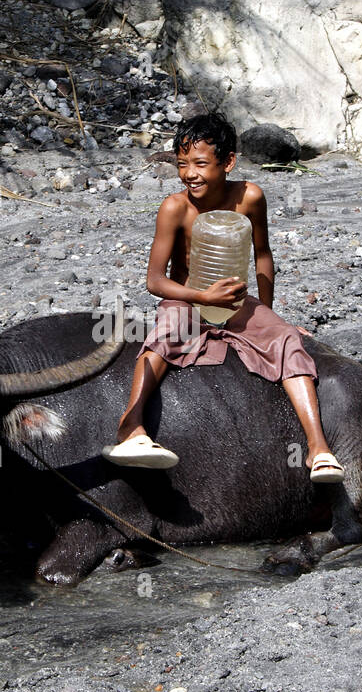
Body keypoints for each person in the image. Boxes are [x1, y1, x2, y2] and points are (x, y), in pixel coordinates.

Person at [103, 112, 344, 483]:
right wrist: (200, 294)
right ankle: (131, 427)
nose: (190, 174)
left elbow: (262, 255)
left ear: (228, 162)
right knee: (165, 335)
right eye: (182, 164)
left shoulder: (249, 198)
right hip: (187, 296)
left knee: (286, 341)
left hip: (235, 302)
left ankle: (318, 448)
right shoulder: (175, 208)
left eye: (200, 163)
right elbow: (155, 280)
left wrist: (266, 311)